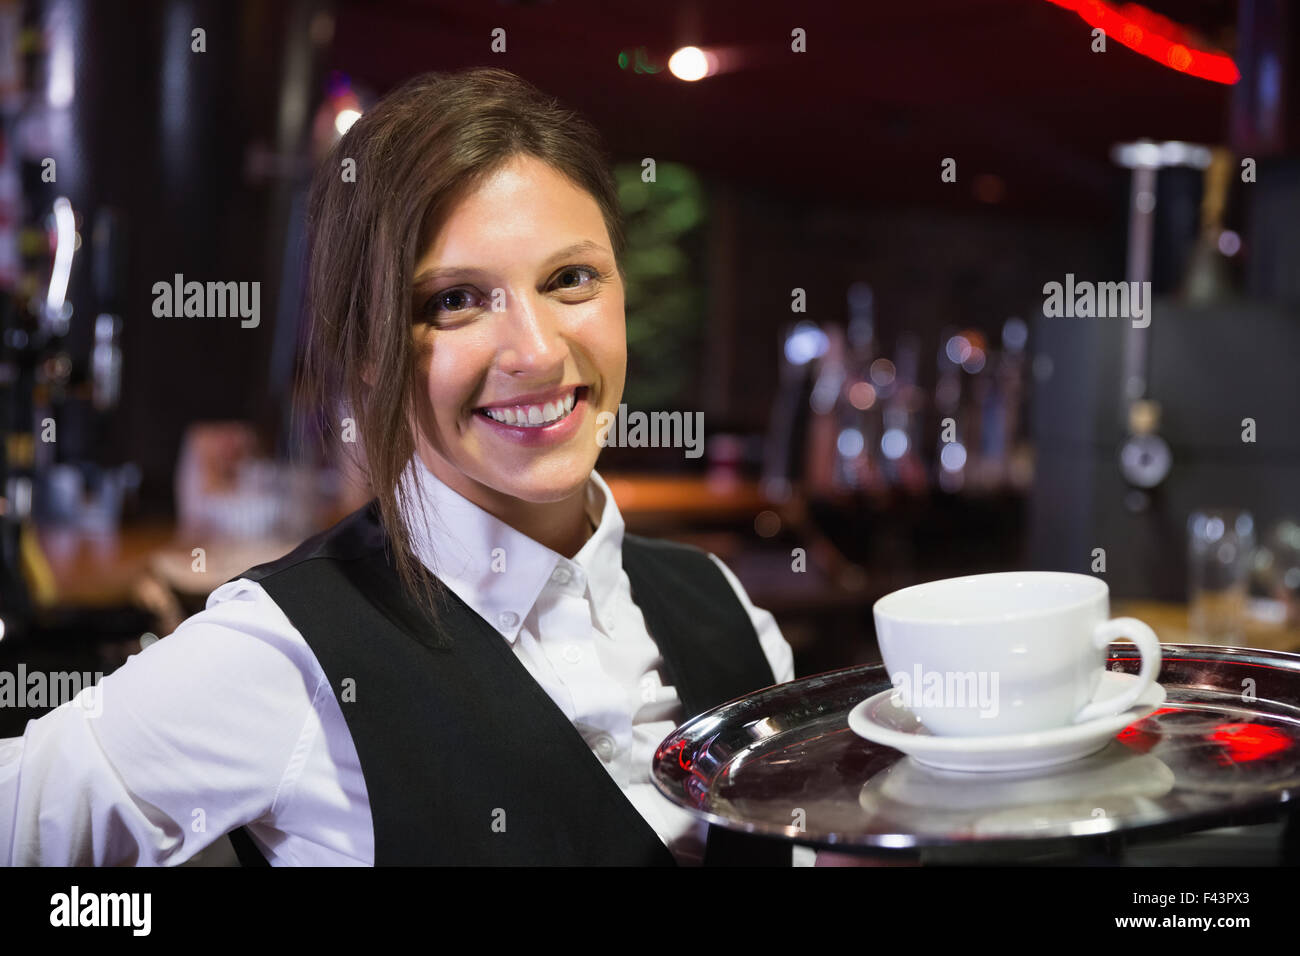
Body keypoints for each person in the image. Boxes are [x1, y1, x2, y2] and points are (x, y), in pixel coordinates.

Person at [0, 67, 819, 866]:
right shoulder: (283, 653)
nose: (536, 352)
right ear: (367, 349)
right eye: (455, 300)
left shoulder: (724, 607)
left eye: (571, 279)